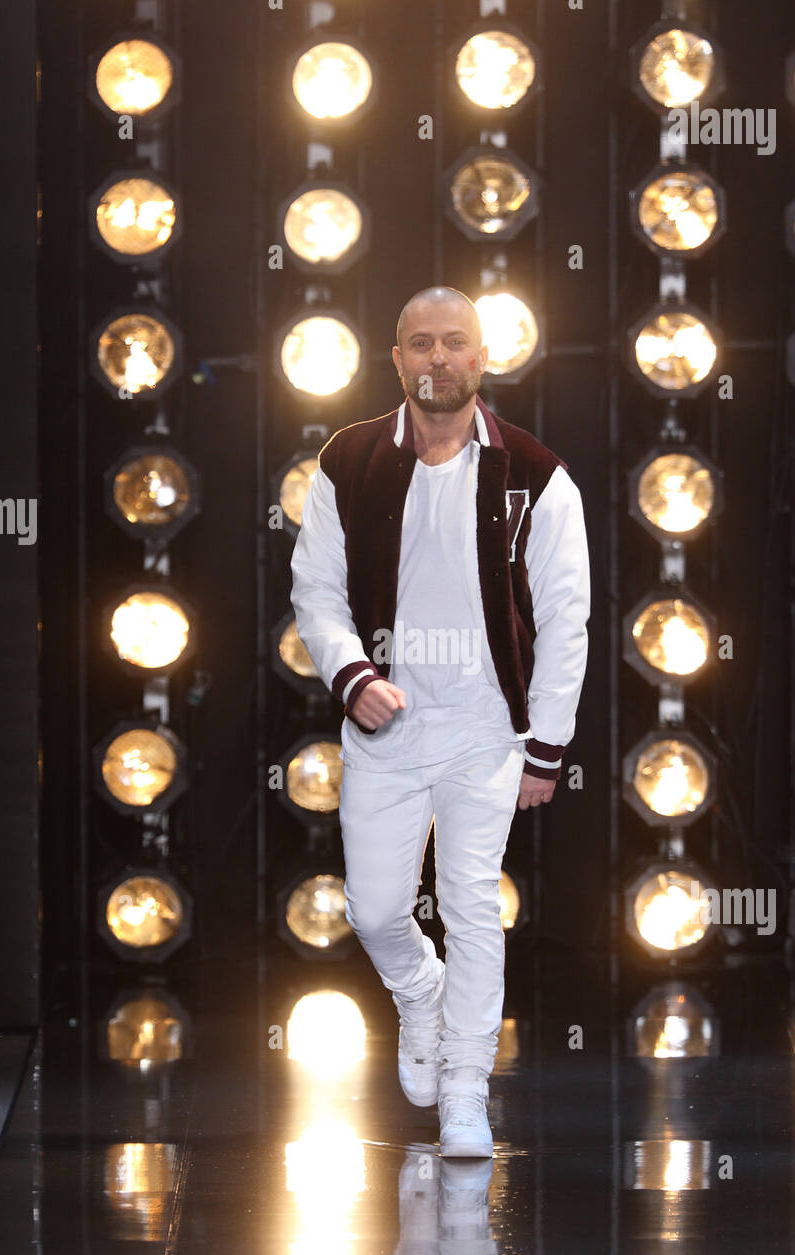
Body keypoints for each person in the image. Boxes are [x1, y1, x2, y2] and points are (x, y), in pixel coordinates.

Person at [290, 286, 591, 1158]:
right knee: (376, 910)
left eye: (454, 342)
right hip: (385, 724)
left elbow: (566, 617)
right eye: (419, 343)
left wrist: (547, 743)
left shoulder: (535, 474)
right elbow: (317, 586)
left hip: (485, 726)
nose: (437, 359)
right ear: (396, 360)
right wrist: (352, 677)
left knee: (470, 905)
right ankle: (418, 994)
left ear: (482, 357)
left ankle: (466, 1089)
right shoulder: (347, 459)